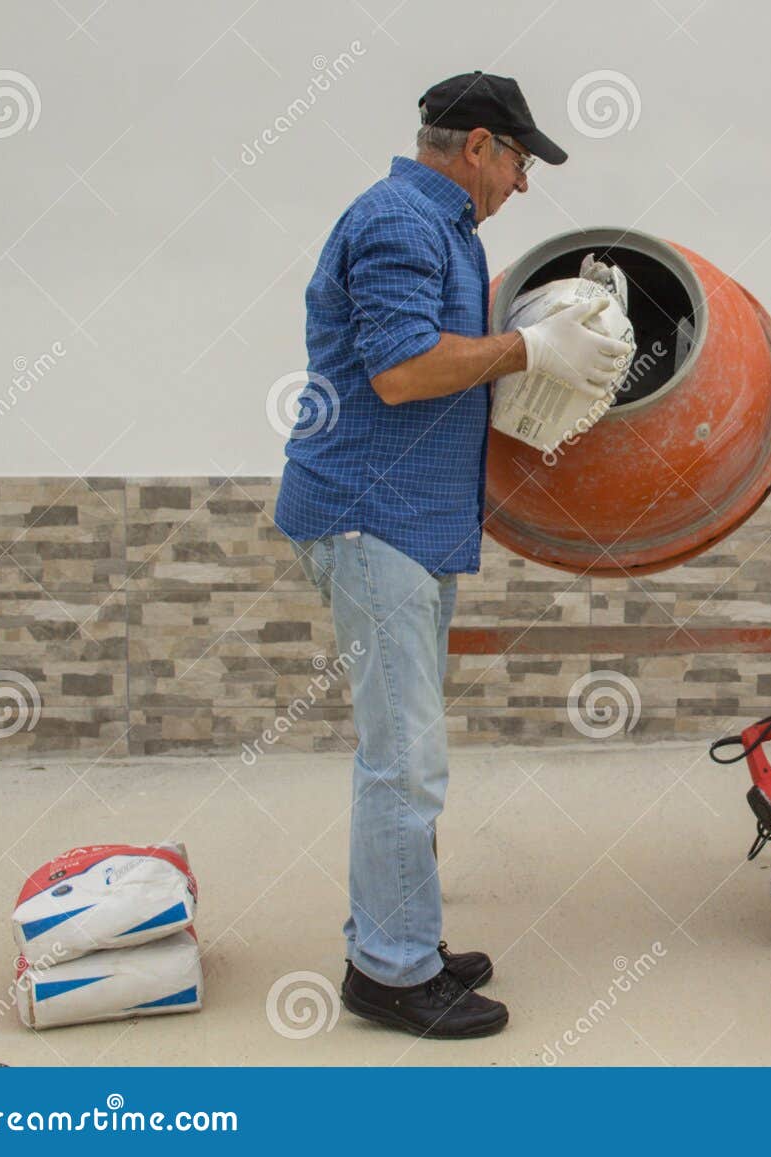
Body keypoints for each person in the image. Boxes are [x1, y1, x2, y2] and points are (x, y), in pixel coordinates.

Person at [273, 72, 632, 1039]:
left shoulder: (445, 232)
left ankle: (405, 938)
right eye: (519, 160)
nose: (523, 183)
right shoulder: (399, 220)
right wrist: (527, 350)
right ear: (477, 145)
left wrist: (532, 361)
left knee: (407, 751)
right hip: (369, 516)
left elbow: (441, 367)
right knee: (404, 758)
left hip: (405, 523)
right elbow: (400, 372)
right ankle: (389, 972)